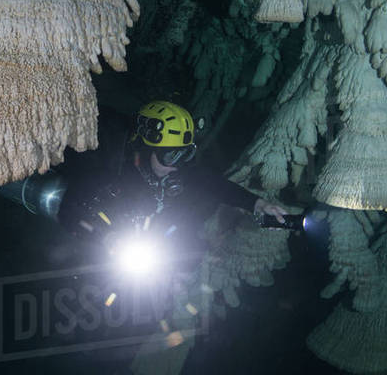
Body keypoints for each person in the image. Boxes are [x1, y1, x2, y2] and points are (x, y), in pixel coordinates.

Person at [54, 99, 293, 258]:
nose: (178, 165)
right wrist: (105, 237)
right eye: (171, 155)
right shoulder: (109, 170)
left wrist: (257, 204)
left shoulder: (176, 170)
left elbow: (214, 184)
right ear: (146, 150)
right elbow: (69, 212)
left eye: (185, 154)